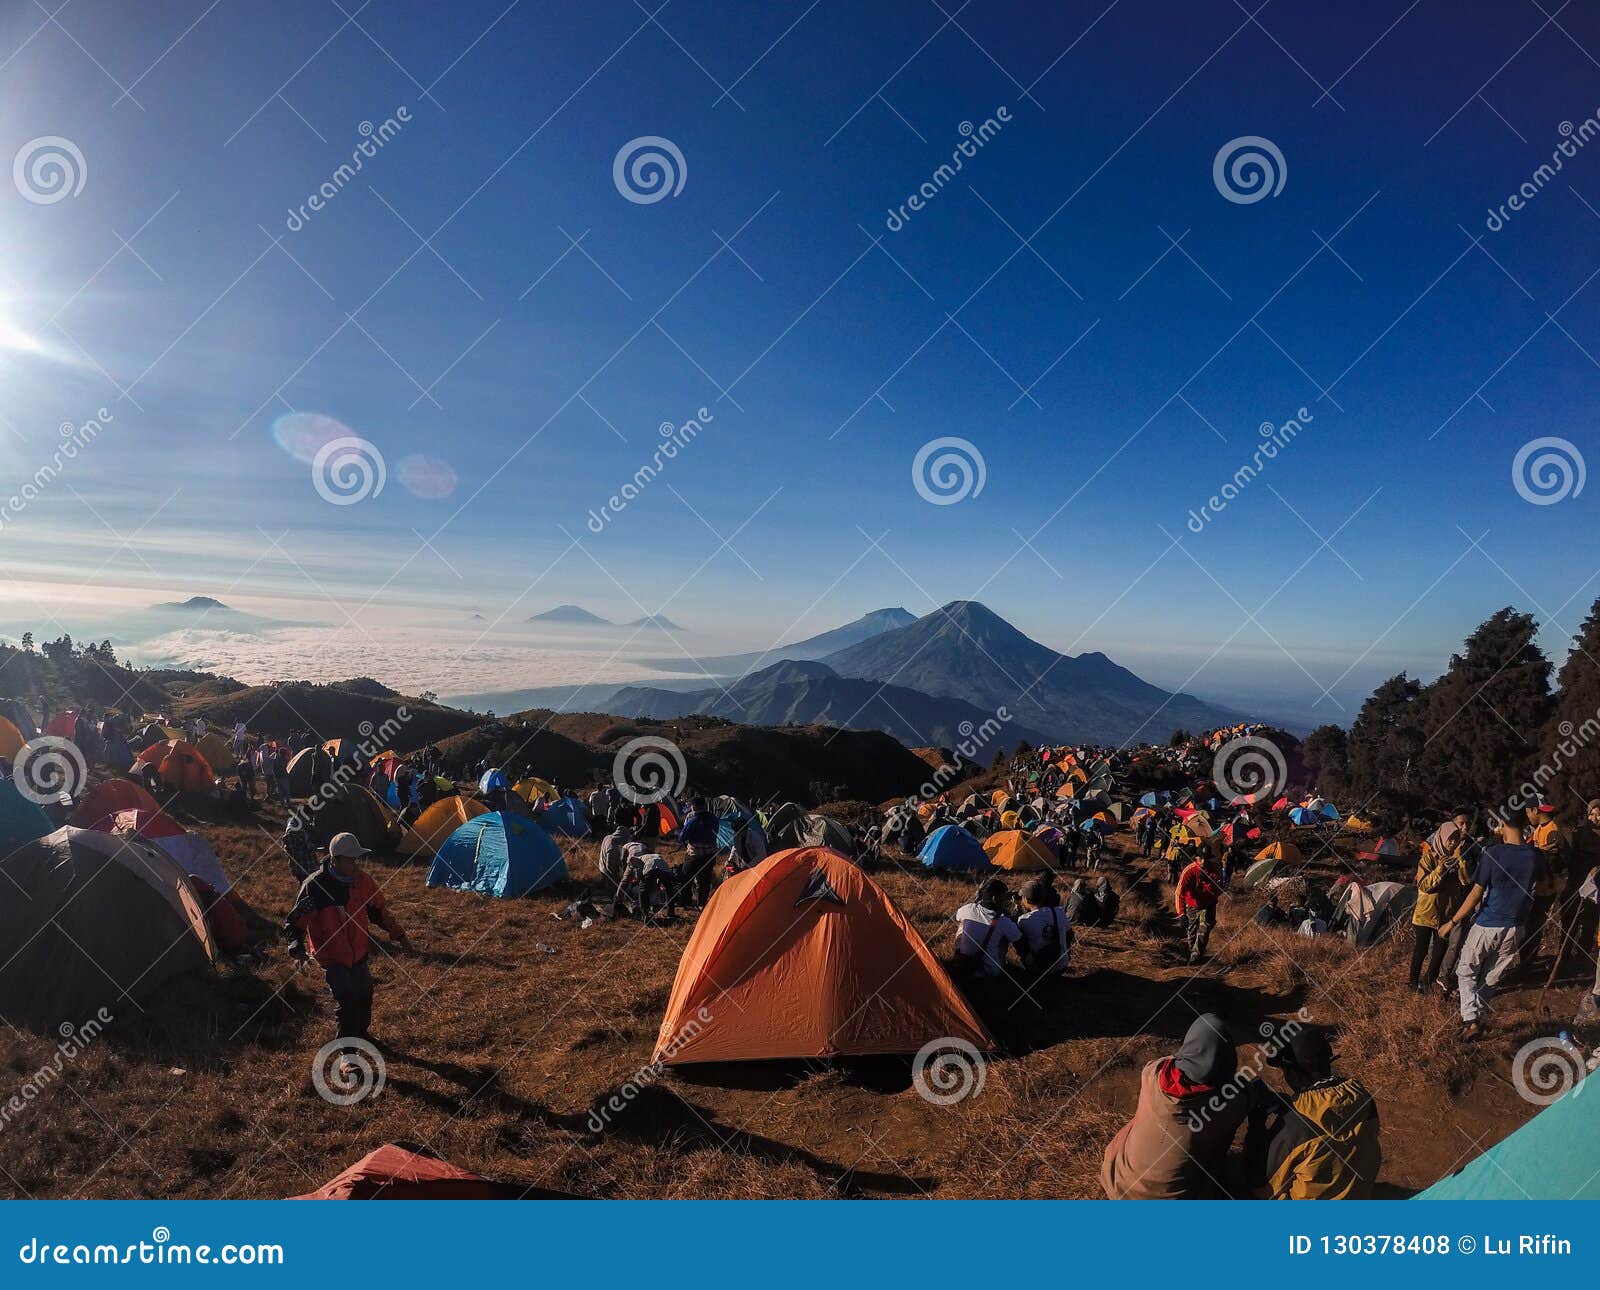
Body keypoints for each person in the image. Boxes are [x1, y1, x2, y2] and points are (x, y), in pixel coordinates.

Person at [284, 833, 409, 1070]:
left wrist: (397, 933)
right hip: (332, 957)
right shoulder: (315, 886)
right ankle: (347, 1057)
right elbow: (296, 921)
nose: (356, 864)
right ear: (336, 859)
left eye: (357, 859)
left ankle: (361, 1033)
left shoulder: (361, 882)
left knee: (365, 996)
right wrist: (296, 946)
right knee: (347, 1001)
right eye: (351, 860)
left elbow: (378, 911)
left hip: (359, 952)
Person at [1101, 1013, 1255, 1199]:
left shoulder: (1152, 1072)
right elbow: (1249, 1096)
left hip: (1116, 1182)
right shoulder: (1225, 1108)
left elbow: (1177, 1060)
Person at [1439, 819, 1545, 1039]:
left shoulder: (1493, 853)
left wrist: (1452, 921)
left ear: (1503, 822)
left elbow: (1476, 893)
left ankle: (1470, 1019)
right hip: (1516, 926)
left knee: (1466, 970)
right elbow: (1546, 887)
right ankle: (1476, 1015)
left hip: (1488, 923)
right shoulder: (1535, 856)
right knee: (1491, 976)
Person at [1257, 1029, 1381, 1200]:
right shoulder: (1364, 1099)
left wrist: (1256, 1123)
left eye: (1285, 1070)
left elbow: (1264, 1188)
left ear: (1296, 1074)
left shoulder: (1294, 1123)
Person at [1409, 819, 1471, 992]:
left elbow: (1466, 882)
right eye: (1450, 839)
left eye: (1456, 839)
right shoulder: (1428, 858)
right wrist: (1440, 870)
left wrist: (1460, 863)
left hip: (1445, 914)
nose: (1452, 843)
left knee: (1439, 951)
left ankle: (1428, 983)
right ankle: (1412, 982)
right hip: (1425, 913)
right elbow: (1424, 885)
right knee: (1420, 950)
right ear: (1442, 838)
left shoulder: (1457, 858)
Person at [953, 877, 1022, 978]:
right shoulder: (1003, 922)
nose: (1006, 901)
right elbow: (1018, 940)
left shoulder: (966, 909)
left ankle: (960, 955)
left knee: (963, 925)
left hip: (963, 964)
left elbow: (958, 916)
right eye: (1003, 897)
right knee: (1003, 935)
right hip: (989, 972)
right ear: (994, 898)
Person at [1017, 877, 1071, 979]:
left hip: (1039, 968)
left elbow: (1020, 944)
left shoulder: (1023, 920)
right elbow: (1069, 933)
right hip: (1061, 965)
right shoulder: (1059, 911)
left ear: (1026, 899)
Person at [1176, 850, 1224, 965]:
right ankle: (1191, 952)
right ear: (1196, 858)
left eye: (1206, 858)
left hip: (1209, 905)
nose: (1204, 861)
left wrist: (1208, 883)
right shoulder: (1189, 871)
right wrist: (1181, 914)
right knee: (1191, 932)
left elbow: (1220, 890)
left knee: (1204, 931)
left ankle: (1195, 959)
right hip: (1192, 905)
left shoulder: (1214, 870)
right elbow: (1179, 893)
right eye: (1201, 858)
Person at [677, 797, 721, 908]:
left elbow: (682, 837)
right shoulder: (714, 819)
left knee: (686, 877)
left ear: (695, 806)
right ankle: (701, 903)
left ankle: (686, 901)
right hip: (710, 854)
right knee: (704, 880)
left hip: (695, 854)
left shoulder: (693, 820)